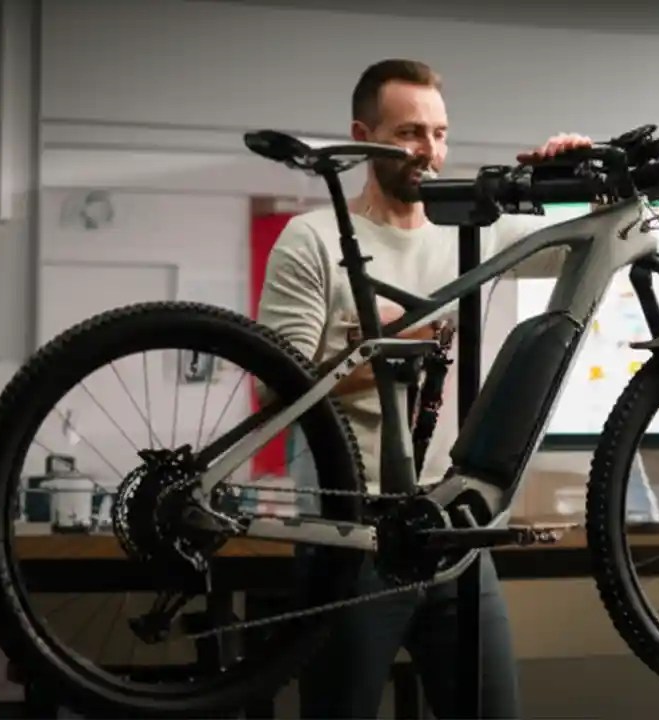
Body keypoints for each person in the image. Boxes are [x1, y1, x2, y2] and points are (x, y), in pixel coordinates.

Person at [254, 58, 592, 718]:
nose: (430, 152)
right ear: (363, 134)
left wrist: (579, 172)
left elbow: (588, 248)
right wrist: (370, 354)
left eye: (439, 133)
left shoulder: (476, 230)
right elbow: (274, 393)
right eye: (410, 132)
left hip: (454, 530)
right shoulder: (313, 240)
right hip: (352, 532)